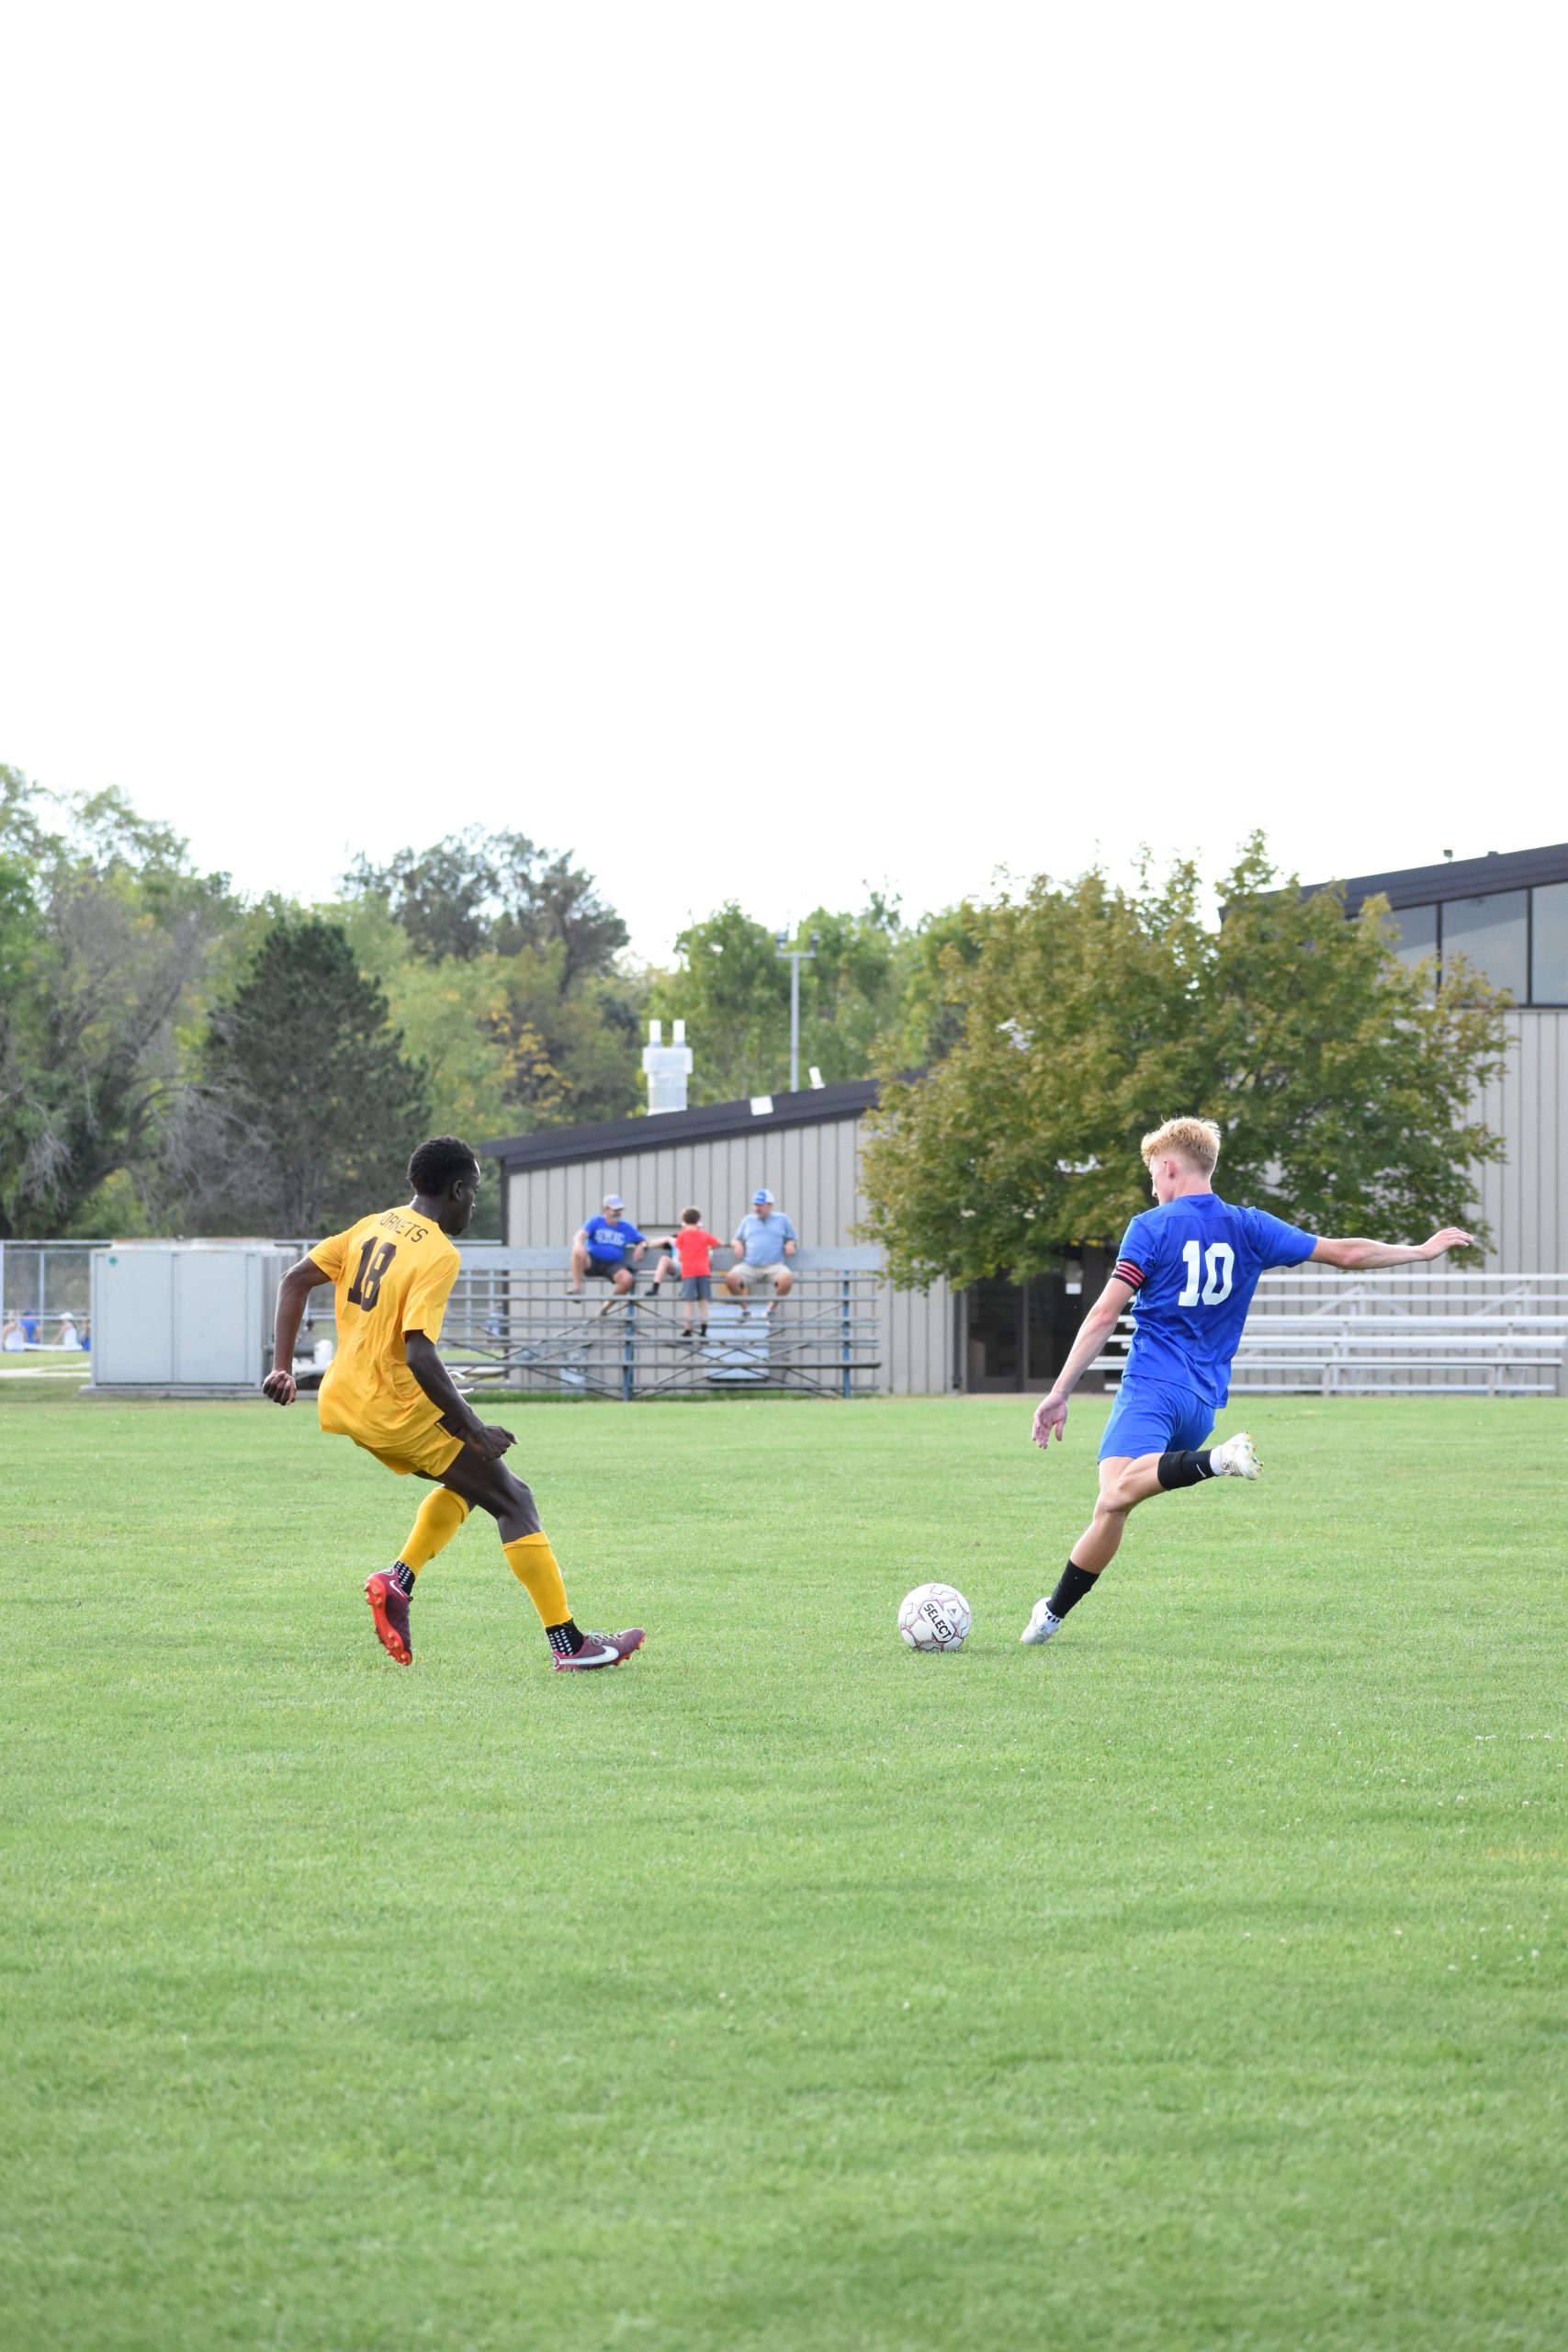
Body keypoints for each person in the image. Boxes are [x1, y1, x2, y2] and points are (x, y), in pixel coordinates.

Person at [1019, 1115, 1473, 1648]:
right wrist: (1418, 1251)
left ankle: (1217, 1460)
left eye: (1152, 1177)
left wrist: (1060, 1391)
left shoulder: (1151, 1227)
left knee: (1117, 1490)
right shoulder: (1250, 1226)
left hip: (1153, 1385)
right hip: (1204, 1400)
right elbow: (1346, 1253)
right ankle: (1051, 1614)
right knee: (1112, 1505)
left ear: (1168, 1168)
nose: (1154, 1188)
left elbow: (1102, 1316)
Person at [263, 1135, 644, 1674]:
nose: (475, 1204)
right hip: (394, 1407)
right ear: (457, 1189)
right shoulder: (438, 1251)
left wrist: (281, 1367)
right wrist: (474, 1428)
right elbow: (420, 1354)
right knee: (515, 1500)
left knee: (468, 1486)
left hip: (347, 1398)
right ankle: (570, 1646)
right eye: (475, 1193)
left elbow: (294, 1279)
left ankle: (398, 1583)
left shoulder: (375, 1223)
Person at [570, 1194, 648, 1312]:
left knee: (627, 1280)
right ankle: (576, 1289)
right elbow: (580, 1236)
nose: (617, 1213)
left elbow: (643, 1240)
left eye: (619, 1210)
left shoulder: (626, 1227)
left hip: (612, 1264)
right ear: (606, 1209)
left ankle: (605, 1308)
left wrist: (641, 1245)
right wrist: (579, 1244)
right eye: (615, 1210)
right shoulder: (595, 1221)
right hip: (593, 1261)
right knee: (577, 1252)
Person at [726, 1189, 798, 1312]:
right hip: (750, 1265)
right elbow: (735, 1239)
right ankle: (745, 1309)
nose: (757, 1208)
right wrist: (737, 1244)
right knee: (731, 1278)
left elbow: (792, 1238)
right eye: (755, 1205)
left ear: (770, 1205)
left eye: (760, 1205)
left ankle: (772, 1308)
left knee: (787, 1279)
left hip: (774, 1265)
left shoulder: (782, 1219)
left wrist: (790, 1244)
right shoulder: (748, 1220)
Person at [664, 1207, 725, 1339]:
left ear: (684, 1221)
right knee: (703, 1302)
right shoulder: (704, 1234)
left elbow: (679, 1257)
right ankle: (704, 1331)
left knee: (689, 1302)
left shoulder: (682, 1236)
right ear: (698, 1220)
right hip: (703, 1270)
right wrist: (707, 1247)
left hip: (689, 1271)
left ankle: (688, 1331)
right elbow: (720, 1243)